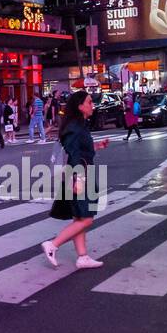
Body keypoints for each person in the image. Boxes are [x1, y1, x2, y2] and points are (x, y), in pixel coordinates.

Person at [40, 90, 110, 271]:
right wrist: (78, 178)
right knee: (86, 219)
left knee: (80, 217)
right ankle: (53, 245)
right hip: (79, 174)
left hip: (80, 173)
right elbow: (73, 153)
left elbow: (80, 150)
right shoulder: (74, 127)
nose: (92, 105)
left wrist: (96, 146)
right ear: (80, 106)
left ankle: (83, 257)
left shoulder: (79, 125)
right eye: (89, 102)